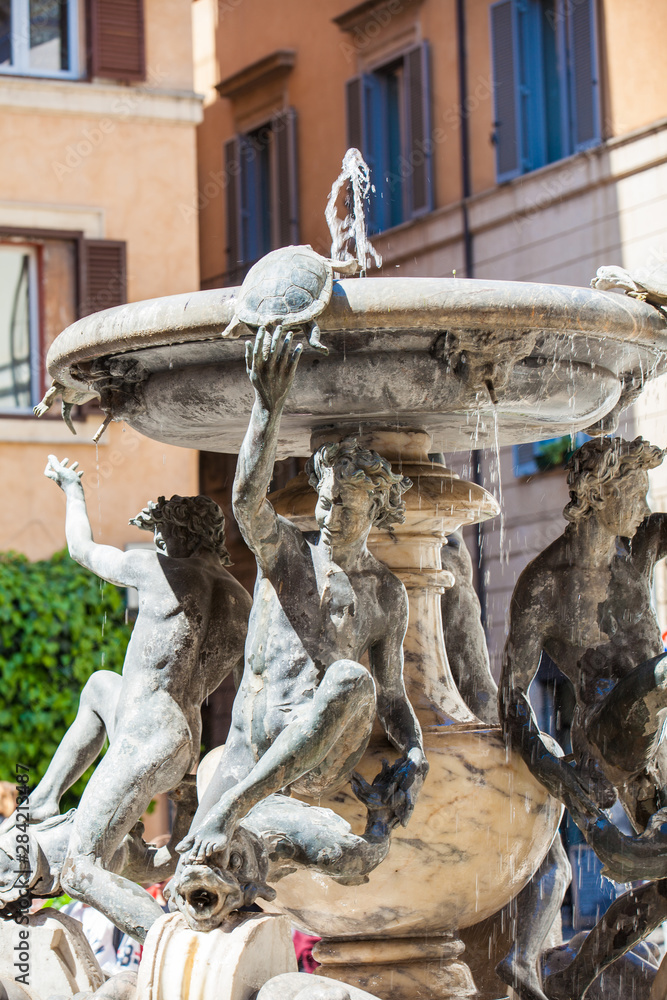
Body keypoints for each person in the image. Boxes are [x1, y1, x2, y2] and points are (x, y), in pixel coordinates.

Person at [178, 325, 428, 865]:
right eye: (326, 501)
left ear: (375, 512)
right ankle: (237, 808)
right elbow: (245, 501)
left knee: (350, 677)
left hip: (321, 760)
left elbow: (390, 696)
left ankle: (232, 808)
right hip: (249, 747)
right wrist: (266, 406)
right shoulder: (289, 553)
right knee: (196, 882)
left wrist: (415, 748)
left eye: (346, 507)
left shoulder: (386, 593)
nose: (329, 516)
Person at [26, 461, 252, 941]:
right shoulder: (242, 601)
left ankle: (177, 960)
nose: (156, 543)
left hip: (146, 735)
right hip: (185, 741)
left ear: (180, 535)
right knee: (100, 685)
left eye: (160, 534)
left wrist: (73, 491)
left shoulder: (162, 571)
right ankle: (44, 801)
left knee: (79, 870)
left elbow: (81, 549)